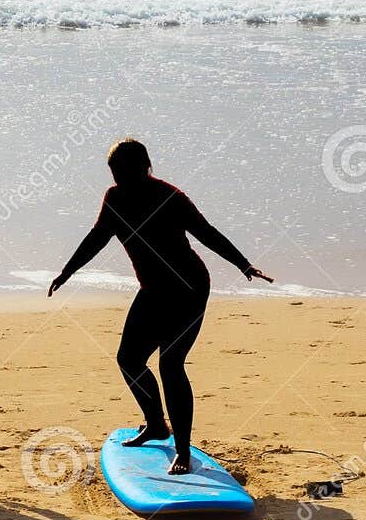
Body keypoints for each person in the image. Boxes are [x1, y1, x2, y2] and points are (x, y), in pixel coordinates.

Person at [48, 138, 271, 475]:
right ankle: (155, 424)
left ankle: (182, 451)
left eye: (125, 172)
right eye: (115, 173)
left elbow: (206, 233)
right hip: (153, 291)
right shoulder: (115, 198)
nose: (120, 179)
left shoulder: (170, 197)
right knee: (129, 360)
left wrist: (243, 264)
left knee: (170, 364)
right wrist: (67, 271)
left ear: (145, 167)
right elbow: (97, 238)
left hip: (189, 289)